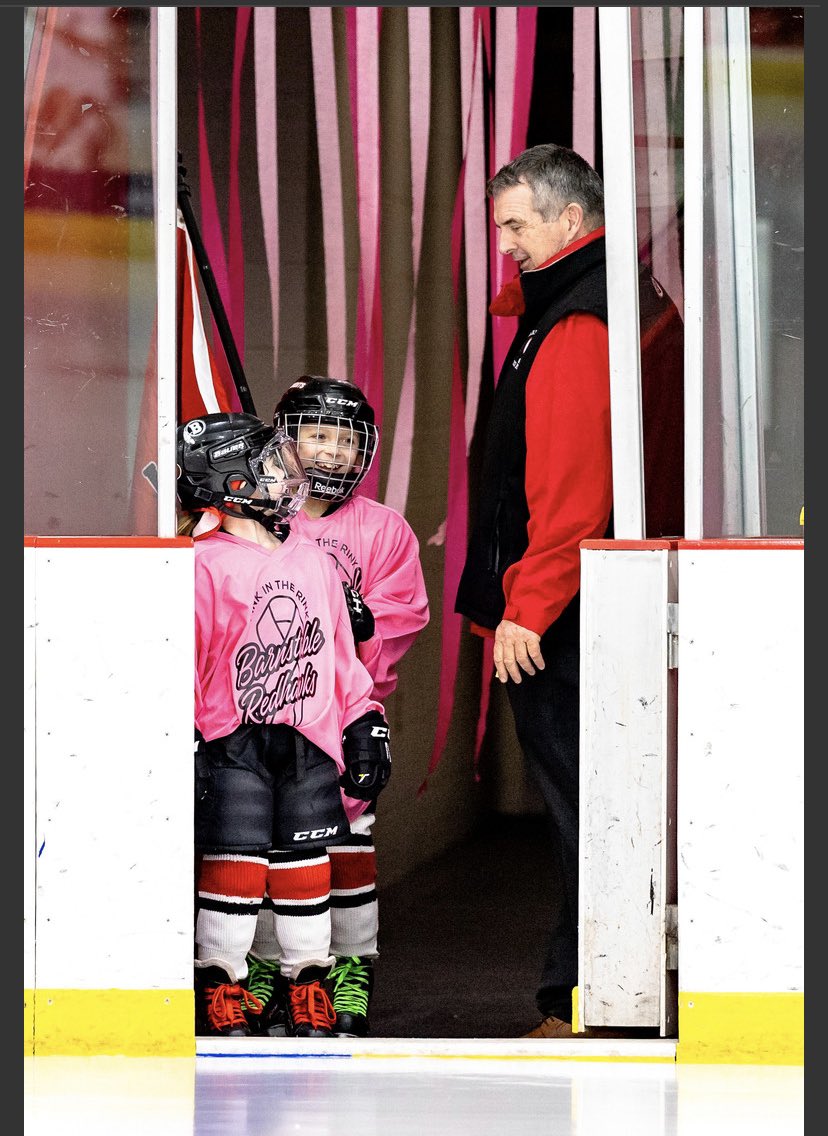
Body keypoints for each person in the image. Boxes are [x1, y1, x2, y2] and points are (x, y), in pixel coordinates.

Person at [454, 143, 683, 1039]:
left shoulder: (579, 324)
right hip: (593, 600)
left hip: (567, 614)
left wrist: (529, 606)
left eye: (515, 224)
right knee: (594, 804)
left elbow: (573, 487)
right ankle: (587, 991)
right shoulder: (606, 303)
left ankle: (590, 997)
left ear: (566, 220)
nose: (504, 243)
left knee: (585, 809)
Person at [178, 410, 393, 1038]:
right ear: (233, 484)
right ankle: (222, 984)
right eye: (269, 464)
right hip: (232, 742)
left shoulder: (315, 559)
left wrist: (363, 721)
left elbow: (340, 660)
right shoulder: (202, 565)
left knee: (307, 870)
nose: (285, 473)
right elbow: (187, 660)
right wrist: (187, 739)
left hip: (307, 744)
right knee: (234, 867)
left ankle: (308, 986)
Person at [243, 376, 430, 1038]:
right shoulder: (253, 518)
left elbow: (403, 616)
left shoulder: (383, 530)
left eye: (345, 442)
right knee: (262, 846)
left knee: (346, 841)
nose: (330, 454)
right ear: (284, 440)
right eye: (317, 436)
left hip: (346, 718)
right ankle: (265, 966)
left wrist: (361, 625)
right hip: (264, 715)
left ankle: (351, 962)